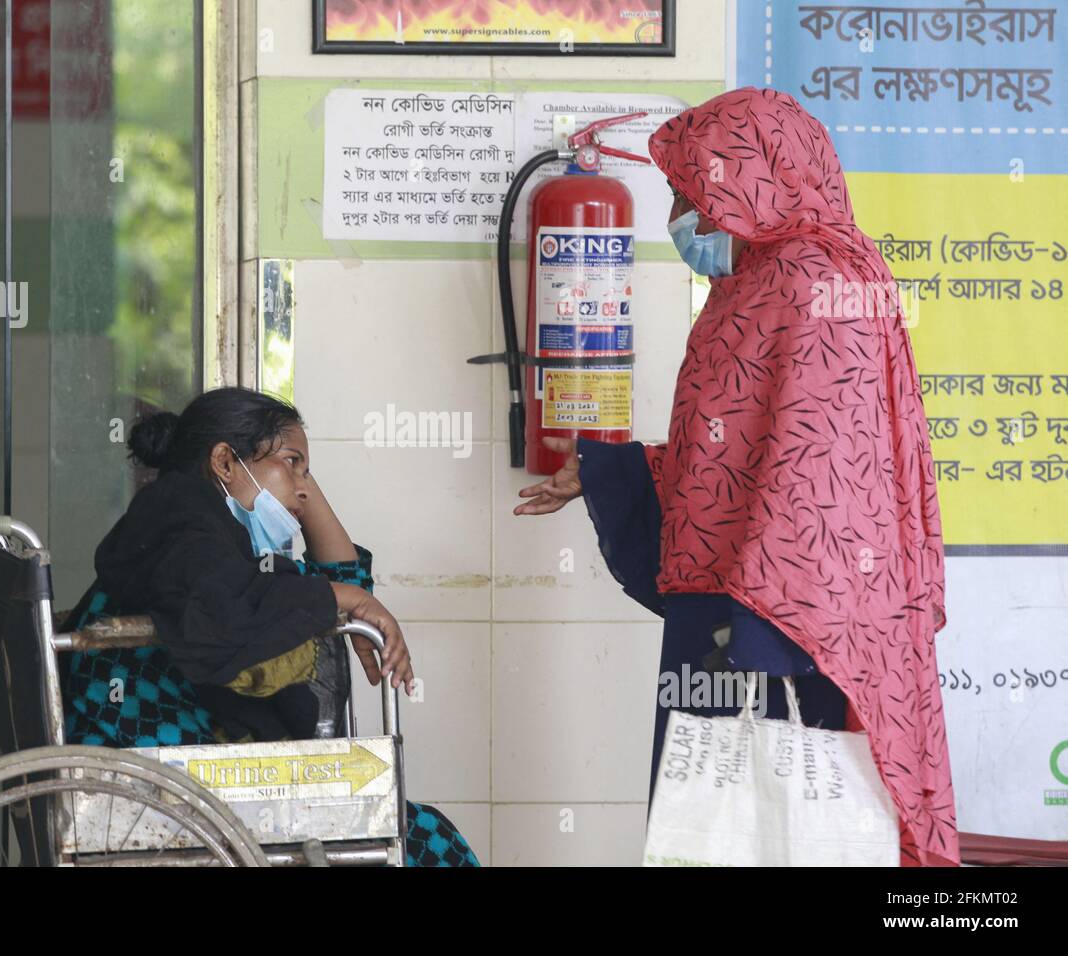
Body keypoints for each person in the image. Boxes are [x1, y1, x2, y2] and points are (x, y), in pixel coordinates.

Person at [514, 87, 956, 867]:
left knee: (776, 822)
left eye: (695, 194)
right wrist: (609, 468)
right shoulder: (757, 281)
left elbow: (825, 465)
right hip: (741, 596)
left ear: (754, 178)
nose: (686, 217)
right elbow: (741, 447)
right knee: (715, 818)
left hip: (790, 616)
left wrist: (767, 626)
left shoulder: (811, 279)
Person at [59, 386, 479, 867]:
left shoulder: (207, 526)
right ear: (224, 463)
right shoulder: (179, 518)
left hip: (172, 764)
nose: (304, 486)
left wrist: (295, 481)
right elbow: (223, 610)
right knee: (421, 837)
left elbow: (333, 579)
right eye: (292, 463)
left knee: (419, 827)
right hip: (146, 769)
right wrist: (347, 598)